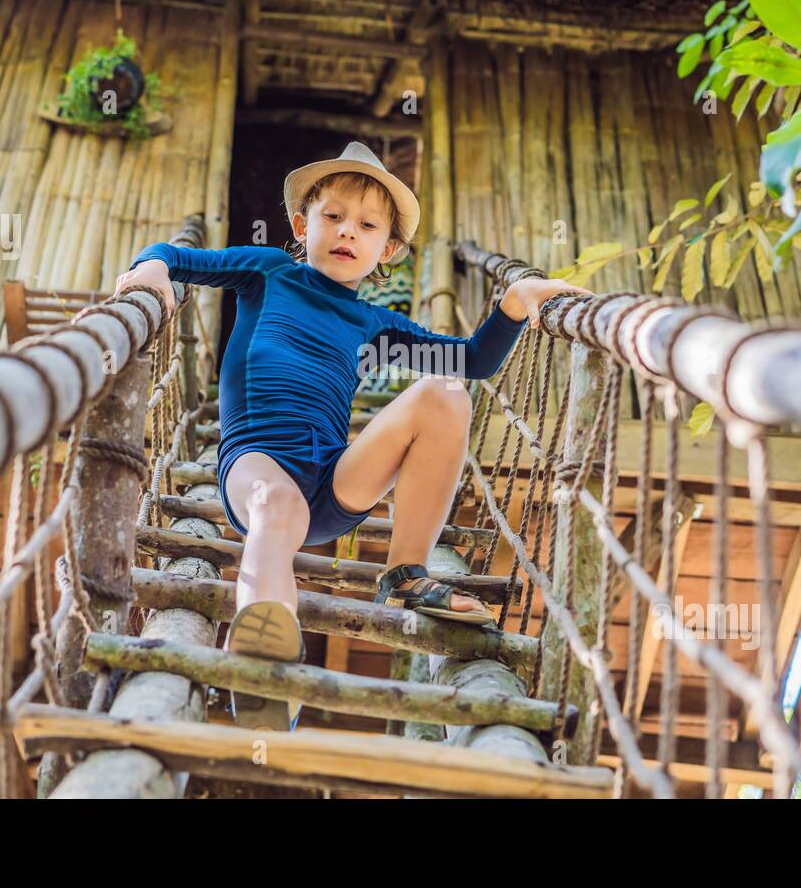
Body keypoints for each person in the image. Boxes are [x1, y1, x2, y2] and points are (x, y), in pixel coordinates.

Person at [114, 141, 587, 730]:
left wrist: (515, 303)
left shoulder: (374, 324)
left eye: (366, 225)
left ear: (386, 249)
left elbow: (473, 361)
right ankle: (265, 666)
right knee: (276, 505)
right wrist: (152, 270)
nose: (346, 232)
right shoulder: (268, 273)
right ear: (300, 225)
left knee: (445, 392)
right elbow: (176, 256)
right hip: (256, 464)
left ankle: (406, 574)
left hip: (334, 483)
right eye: (332, 216)